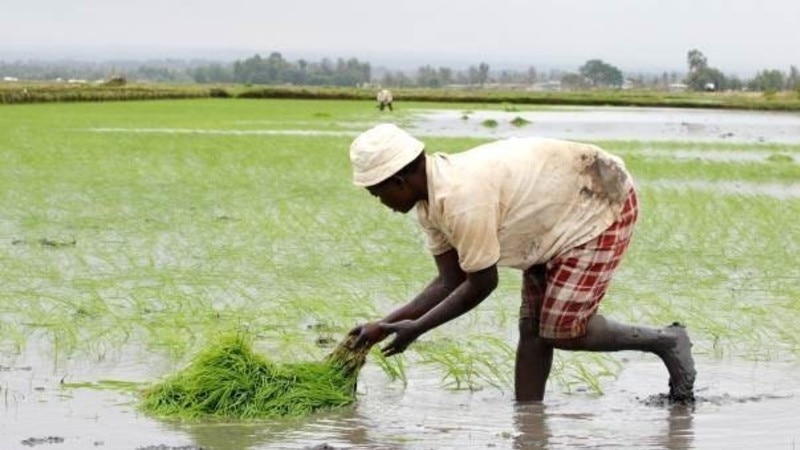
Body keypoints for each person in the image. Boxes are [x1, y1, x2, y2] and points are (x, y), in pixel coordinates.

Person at [347, 123, 696, 403]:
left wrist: (417, 328)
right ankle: (530, 423)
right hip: (549, 216)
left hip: (598, 202)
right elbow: (449, 280)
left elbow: (482, 284)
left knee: (562, 330)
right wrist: (383, 325)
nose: (381, 202)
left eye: (379, 193)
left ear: (399, 181)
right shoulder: (429, 204)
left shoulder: (461, 198)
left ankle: (665, 340)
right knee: (532, 328)